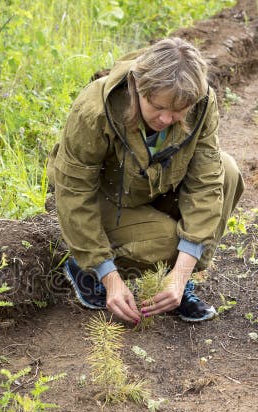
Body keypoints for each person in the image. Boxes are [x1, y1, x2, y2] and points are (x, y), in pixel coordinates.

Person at [47, 37, 244, 325]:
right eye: (157, 106)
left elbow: (206, 183)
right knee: (167, 241)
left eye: (178, 112)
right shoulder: (96, 109)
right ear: (138, 86)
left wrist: (180, 275)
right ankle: (86, 268)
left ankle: (177, 286)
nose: (166, 118)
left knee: (227, 171)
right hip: (107, 201)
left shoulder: (201, 102)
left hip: (155, 187)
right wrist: (110, 278)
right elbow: (74, 192)